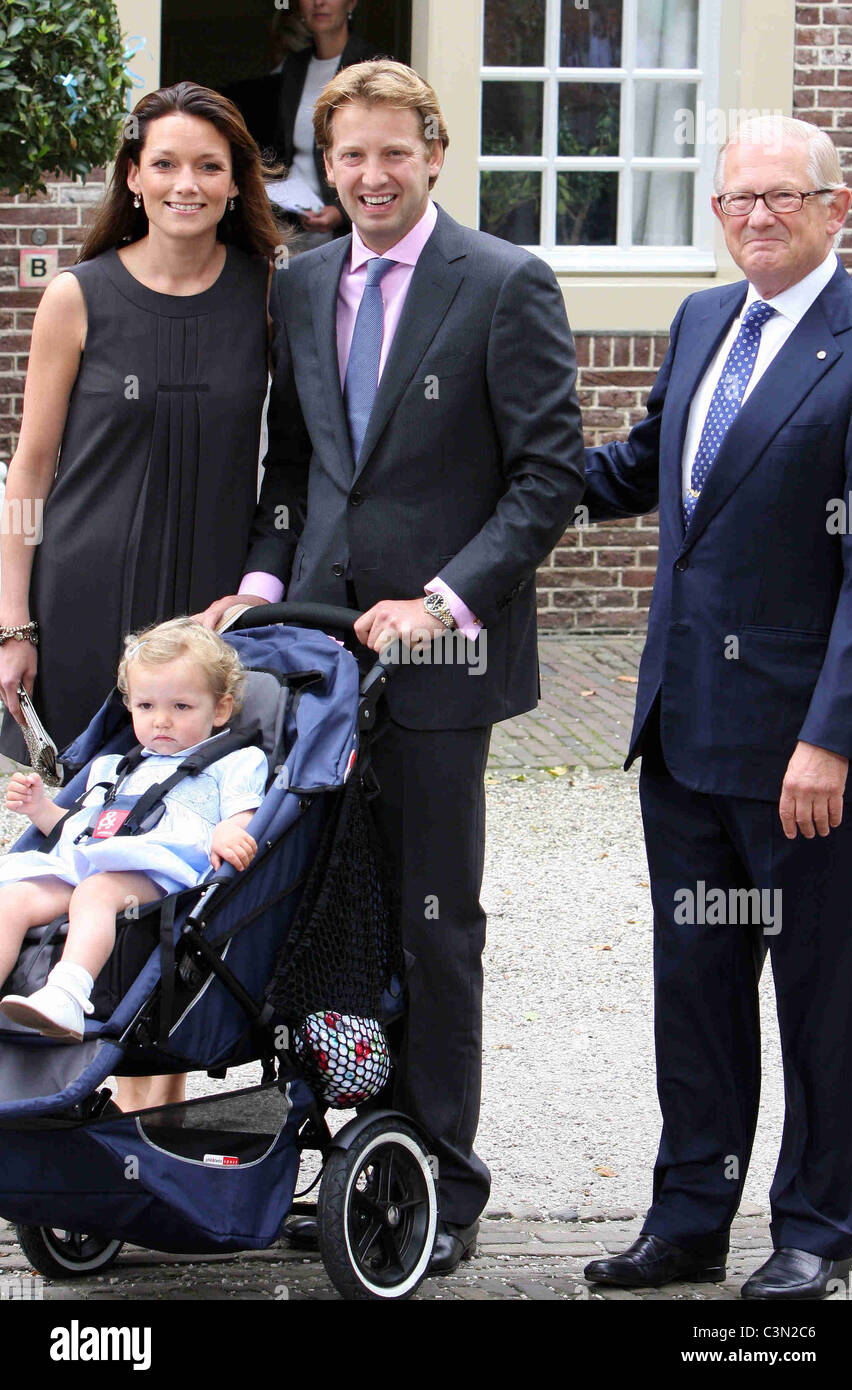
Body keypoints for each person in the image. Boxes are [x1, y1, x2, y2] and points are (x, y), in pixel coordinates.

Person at [200, 60, 585, 1274]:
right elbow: (297, 468)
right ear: (328, 165)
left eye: (392, 153)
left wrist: (444, 595)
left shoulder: (505, 282)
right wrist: (259, 587)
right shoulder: (302, 281)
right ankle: (343, 1139)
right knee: (317, 912)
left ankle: (444, 1179)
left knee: (432, 923)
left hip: (440, 663)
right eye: (348, 157)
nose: (370, 177)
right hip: (311, 653)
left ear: (434, 153)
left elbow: (546, 478)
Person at [580, 116, 852, 1301]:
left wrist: (829, 737)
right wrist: (509, 472)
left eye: (780, 197)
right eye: (734, 199)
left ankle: (812, 1229)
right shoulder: (704, 320)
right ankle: (688, 1217)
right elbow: (642, 466)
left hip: (801, 755)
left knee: (817, 996)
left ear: (833, 207)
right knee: (693, 991)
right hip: (683, 736)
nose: (754, 215)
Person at [0, 80, 279, 1108]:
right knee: (73, 845)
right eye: (164, 162)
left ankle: (145, 1111)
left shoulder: (264, 294)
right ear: (132, 176)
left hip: (201, 627)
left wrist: (259, 583)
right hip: (79, 611)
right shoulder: (77, 294)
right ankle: (44, 1092)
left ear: (234, 180)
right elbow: (28, 472)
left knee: (175, 862)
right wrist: (11, 620)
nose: (185, 183)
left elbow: (287, 461)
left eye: (209, 165)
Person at [0, 619, 267, 1043]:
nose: (161, 720)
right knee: (12, 898)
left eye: (181, 707)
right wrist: (40, 809)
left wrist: (229, 831)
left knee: (97, 893)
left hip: (161, 871)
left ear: (219, 709)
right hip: (90, 862)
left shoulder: (233, 761)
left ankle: (68, 994)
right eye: (145, 707)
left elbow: (244, 812)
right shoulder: (113, 767)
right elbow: (77, 831)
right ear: (130, 707)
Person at [272, 1, 381, 243]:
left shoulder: (372, 66)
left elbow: (377, 147)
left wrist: (341, 212)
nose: (319, 2)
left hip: (349, 228)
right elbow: (280, 147)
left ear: (351, 3)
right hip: (293, 223)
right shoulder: (293, 67)